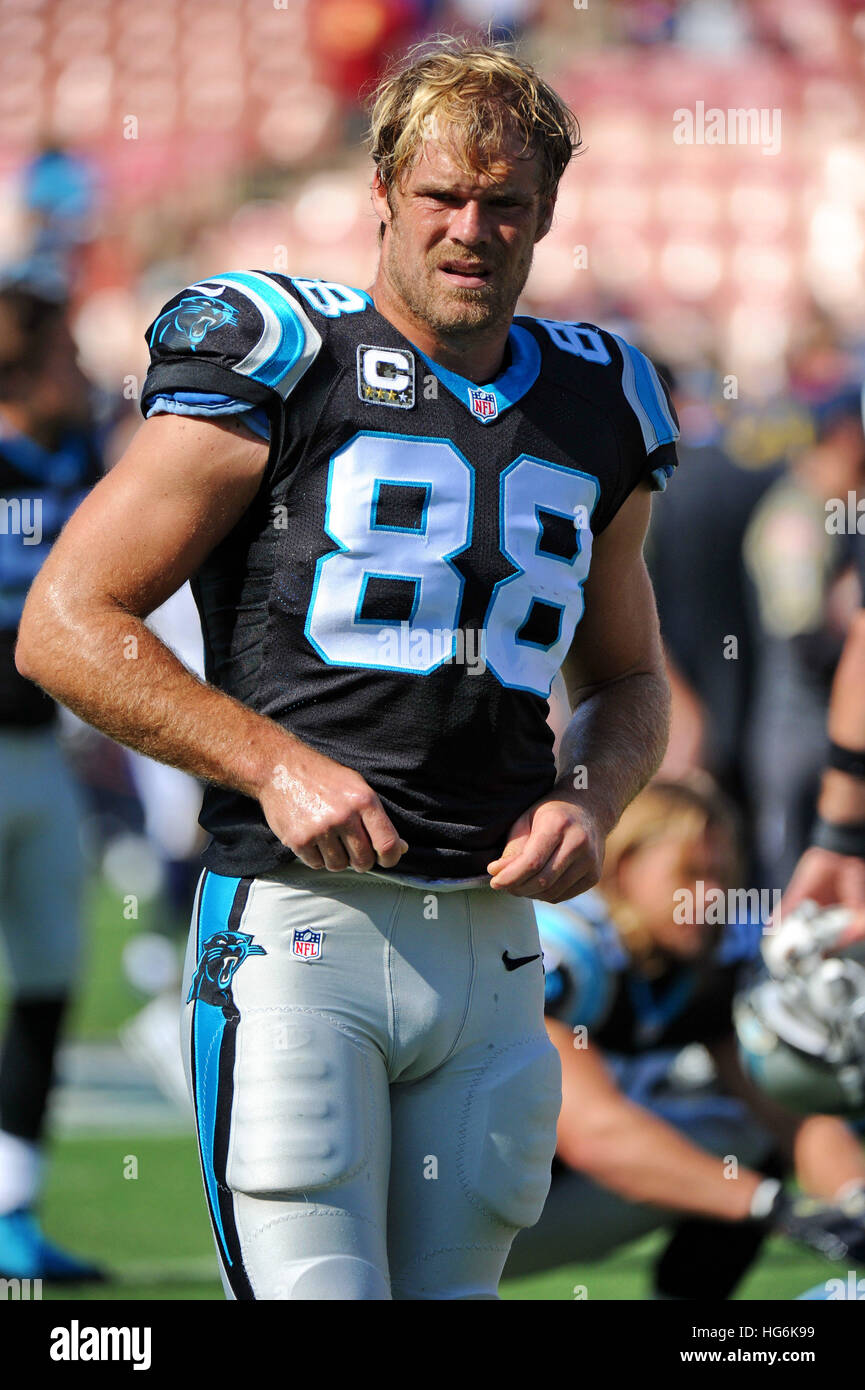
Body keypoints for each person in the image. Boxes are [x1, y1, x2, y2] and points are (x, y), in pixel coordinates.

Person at [16, 38, 679, 1301]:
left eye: (505, 205)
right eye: (441, 196)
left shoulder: (604, 400)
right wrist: (270, 763)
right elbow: (65, 619)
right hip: (298, 927)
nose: (470, 229)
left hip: (492, 946)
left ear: (547, 215)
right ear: (382, 191)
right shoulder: (281, 355)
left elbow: (631, 680)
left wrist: (590, 800)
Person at [505, 780, 865, 1298]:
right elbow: (596, 1136)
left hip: (527, 1206)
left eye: (721, 874)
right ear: (625, 867)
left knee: (745, 1129)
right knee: (731, 1164)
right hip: (428, 1218)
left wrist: (854, 1204)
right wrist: (779, 1208)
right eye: (692, 875)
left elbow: (791, 1118)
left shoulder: (702, 967)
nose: (712, 895)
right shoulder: (563, 951)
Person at [0, 281, 103, 1281]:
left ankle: (11, 1210)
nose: (81, 373)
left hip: (40, 752)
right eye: (67, 355)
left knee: (48, 980)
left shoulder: (75, 452)